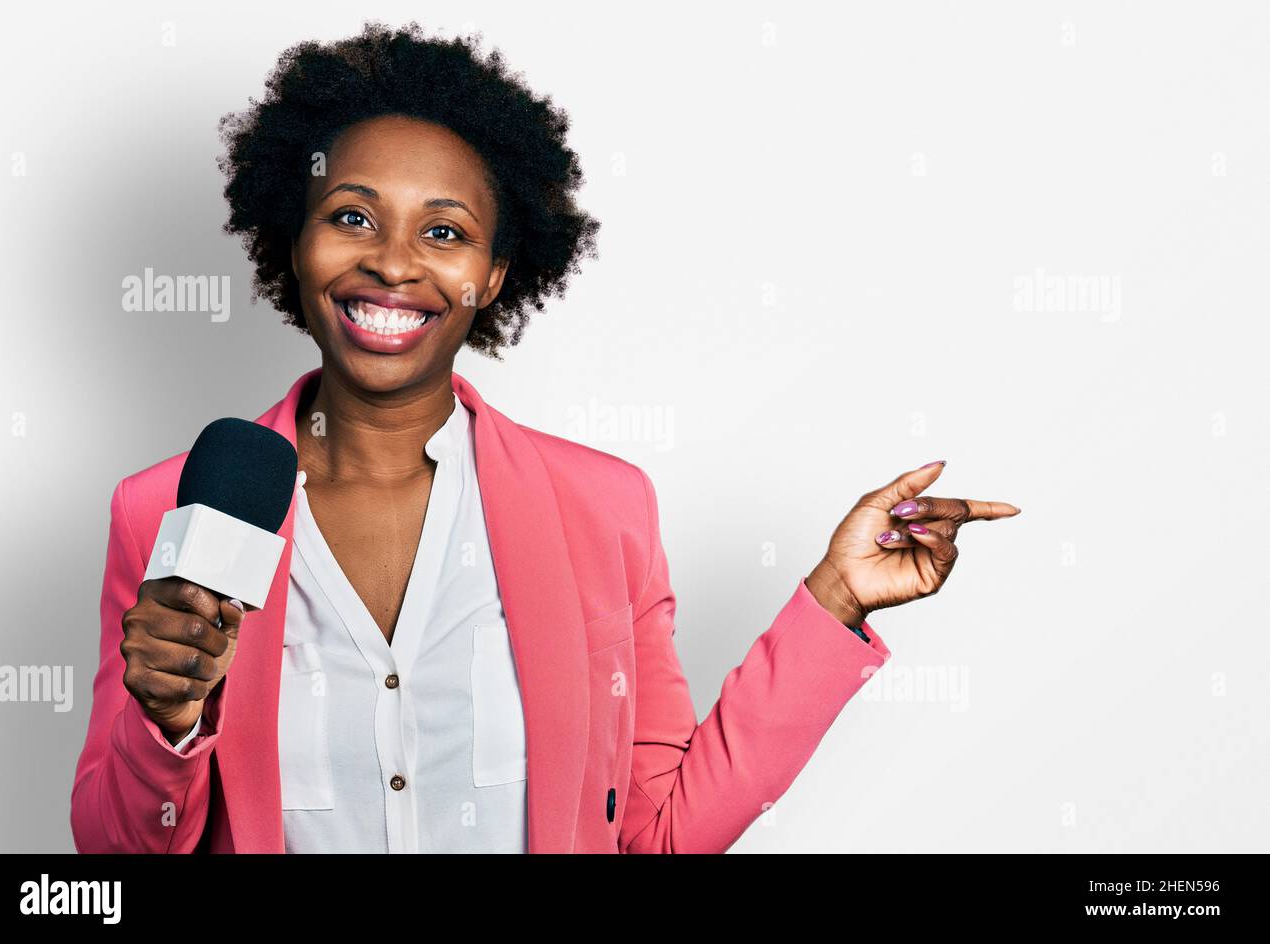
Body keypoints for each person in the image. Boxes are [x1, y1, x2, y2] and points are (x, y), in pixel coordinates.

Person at [71, 21, 1020, 853]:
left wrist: (836, 601)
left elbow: (660, 834)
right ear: (296, 239)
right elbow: (118, 855)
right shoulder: (168, 508)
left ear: (492, 274)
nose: (393, 262)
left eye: (444, 233)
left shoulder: (601, 509)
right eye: (351, 216)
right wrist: (167, 724)